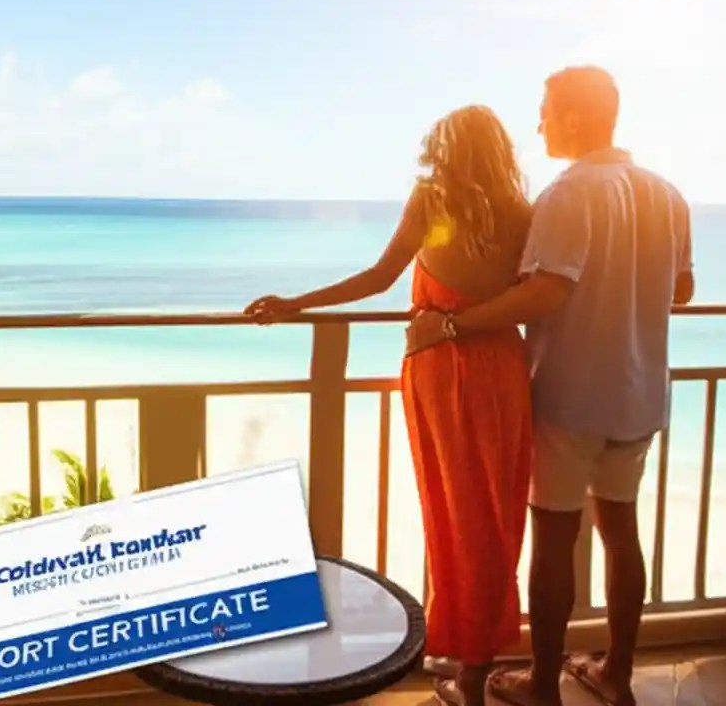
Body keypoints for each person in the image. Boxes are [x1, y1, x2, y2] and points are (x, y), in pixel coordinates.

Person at [406, 66, 694, 706]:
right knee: (621, 534)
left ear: (572, 116)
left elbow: (542, 292)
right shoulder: (667, 194)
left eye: (544, 111)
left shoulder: (568, 195)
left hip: (570, 396)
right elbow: (682, 289)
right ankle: (616, 673)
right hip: (641, 394)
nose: (537, 126)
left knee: (555, 543)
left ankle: (543, 684)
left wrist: (449, 325)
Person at [245, 104, 535, 706]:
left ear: (444, 150)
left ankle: (466, 671)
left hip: (443, 366)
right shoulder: (523, 212)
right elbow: (535, 291)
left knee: (454, 514)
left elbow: (379, 277)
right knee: (493, 516)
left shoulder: (432, 202)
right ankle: (476, 666)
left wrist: (295, 303)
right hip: (504, 366)